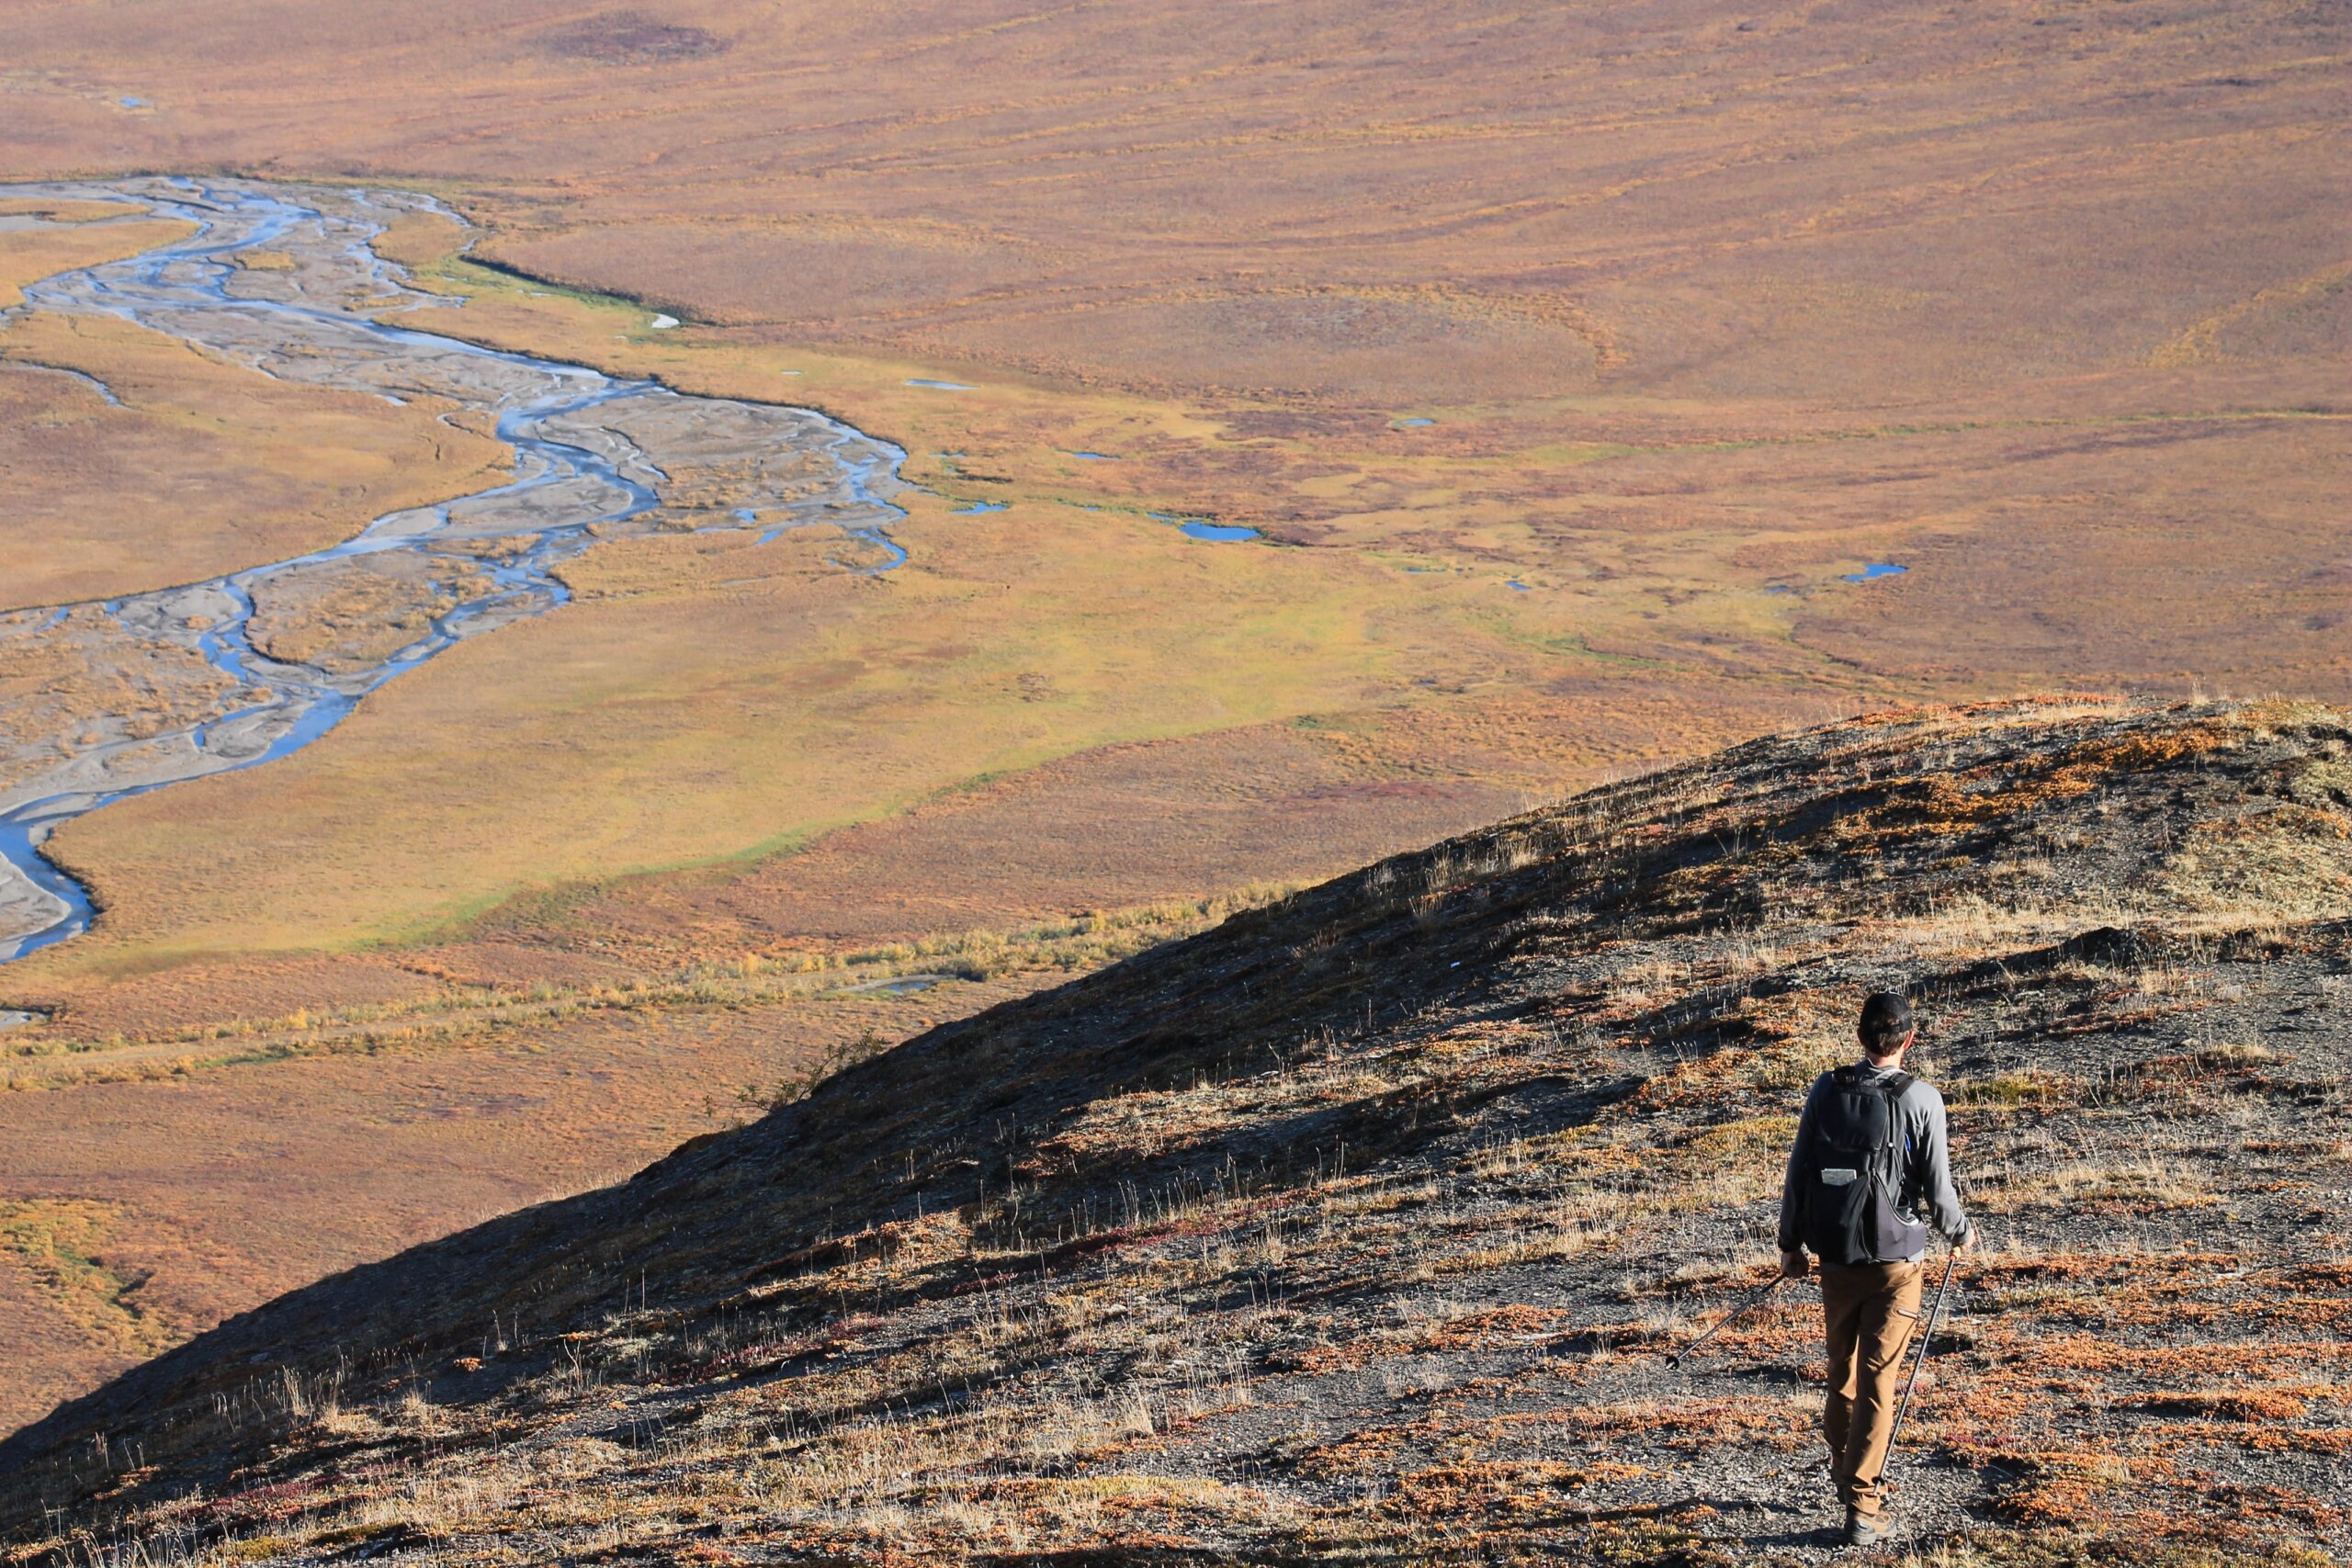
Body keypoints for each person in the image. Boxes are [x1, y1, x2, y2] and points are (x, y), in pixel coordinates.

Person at [1779, 991, 1976, 1548]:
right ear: (1909, 1039)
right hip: (1897, 1264)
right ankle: (1862, 1504)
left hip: (1835, 1257)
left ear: (1861, 1038)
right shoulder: (1923, 1098)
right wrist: (1959, 1232)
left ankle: (1848, 1478)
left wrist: (1790, 1243)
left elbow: (1800, 1169)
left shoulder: (1826, 1088)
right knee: (1878, 1381)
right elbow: (1937, 1189)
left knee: (1840, 1369)